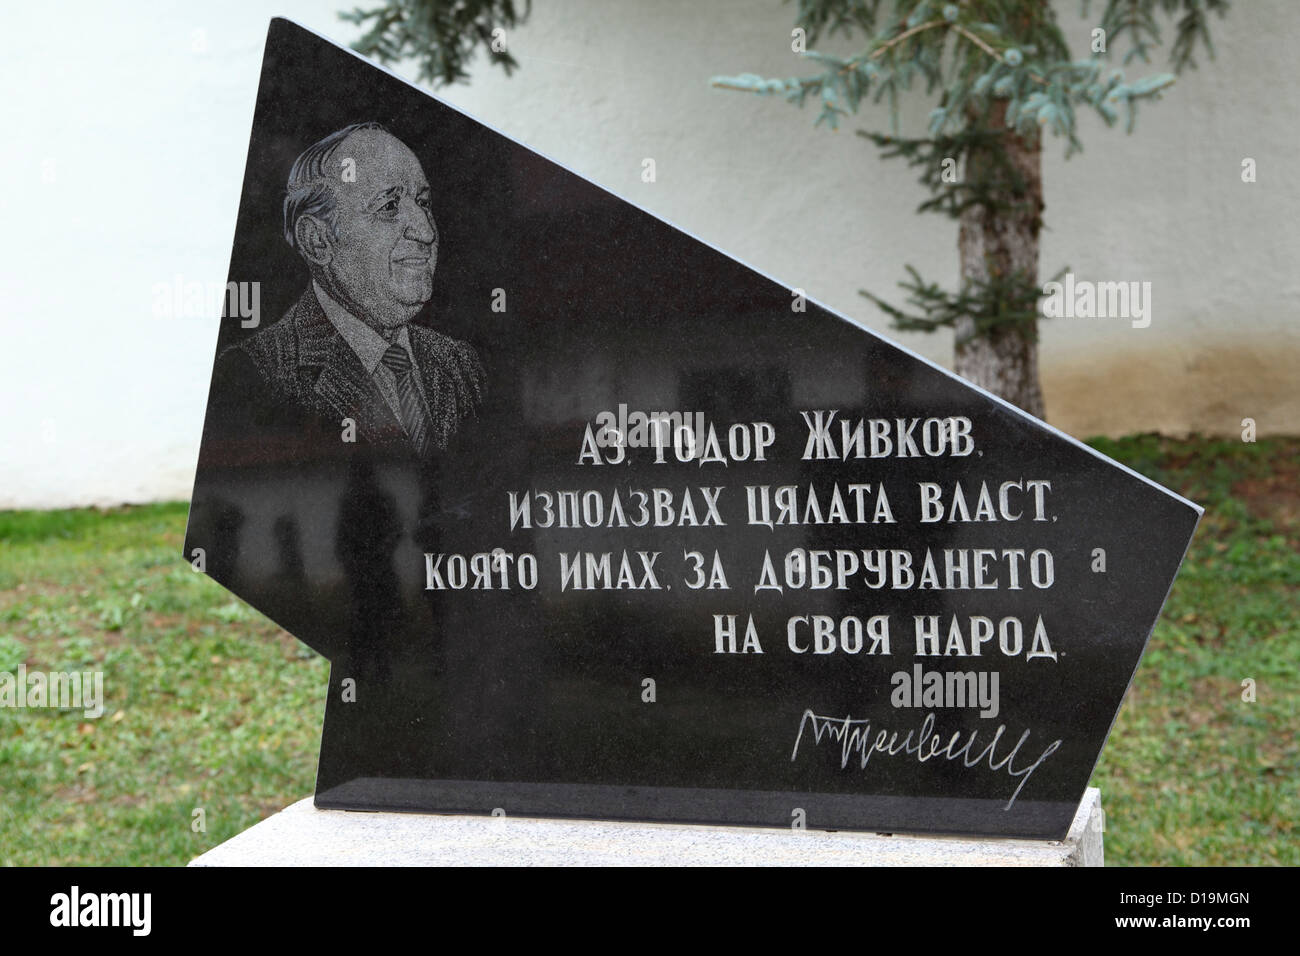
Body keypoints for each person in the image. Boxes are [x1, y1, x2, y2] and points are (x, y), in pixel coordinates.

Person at [215, 122, 485, 459]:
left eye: (423, 203)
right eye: (389, 207)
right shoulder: (257, 372)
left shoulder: (458, 363)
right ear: (317, 240)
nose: (426, 231)